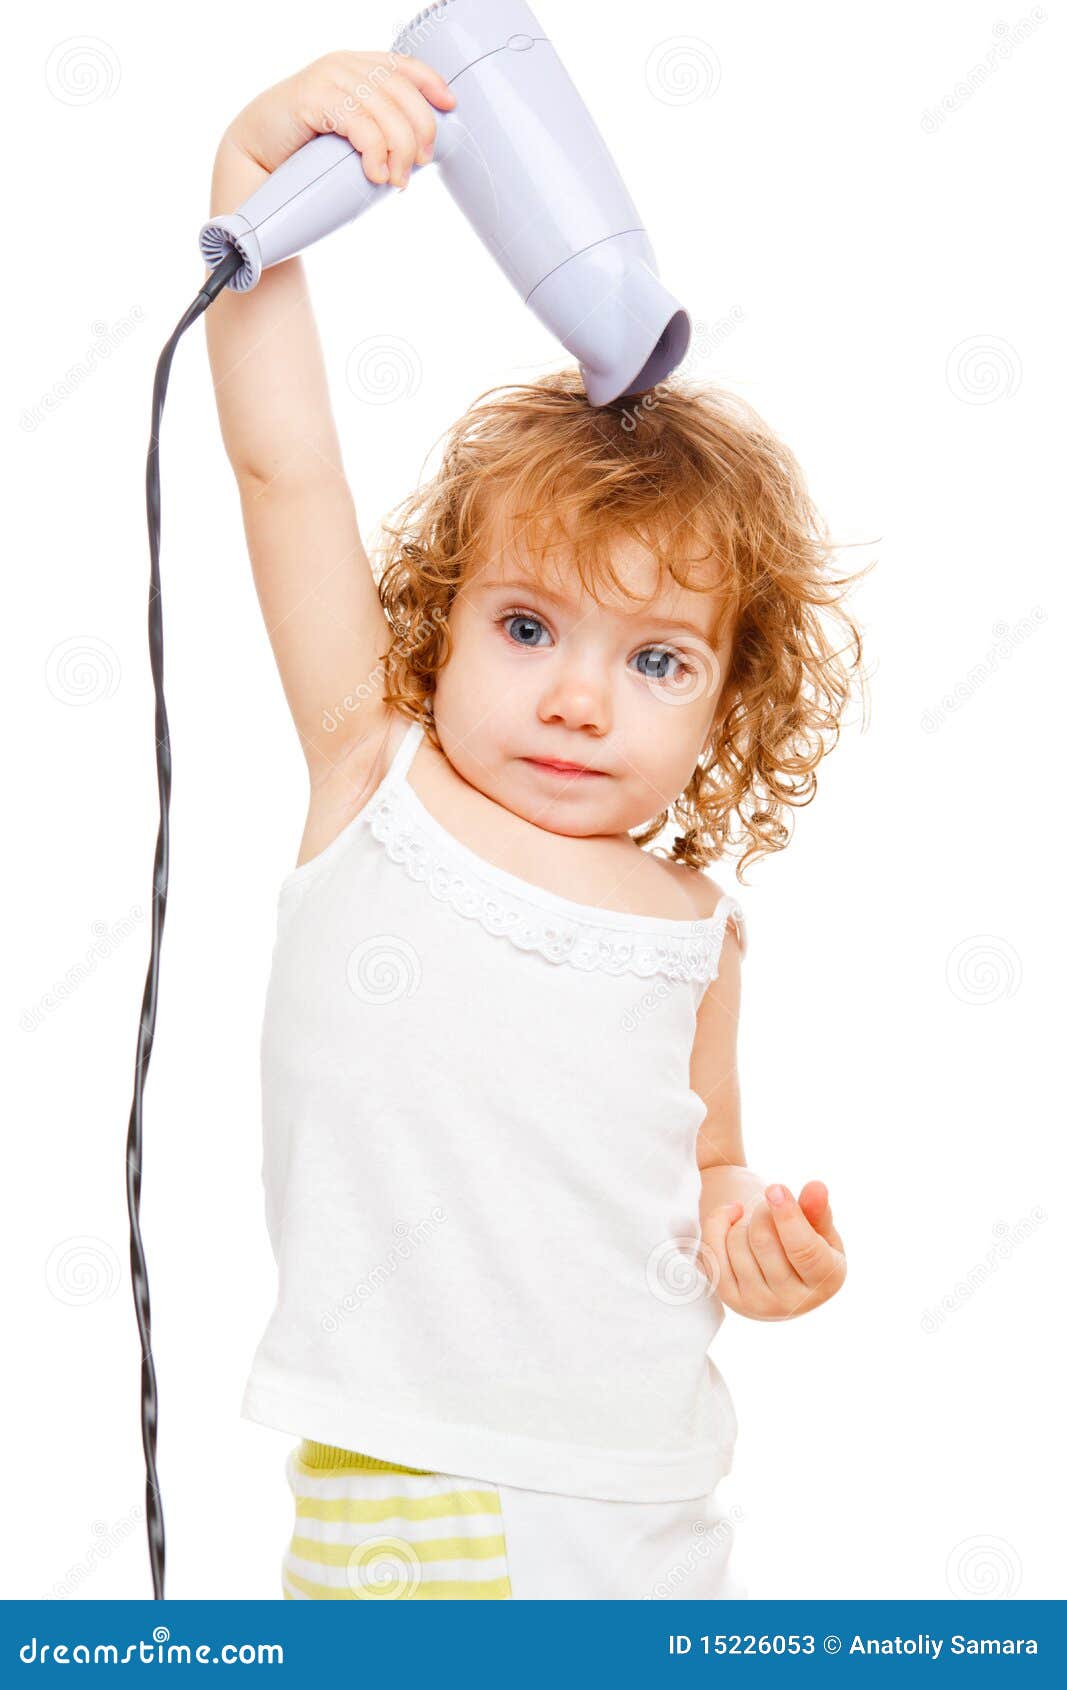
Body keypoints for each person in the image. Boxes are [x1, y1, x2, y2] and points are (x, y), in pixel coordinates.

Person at [204, 47, 860, 1601]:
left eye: (655, 660)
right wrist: (249, 181)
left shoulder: (701, 926)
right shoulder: (379, 779)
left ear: (726, 699)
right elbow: (280, 465)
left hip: (654, 1502)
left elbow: (707, 1160)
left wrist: (752, 1236)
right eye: (526, 627)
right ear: (439, 620)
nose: (580, 698)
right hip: (428, 1475)